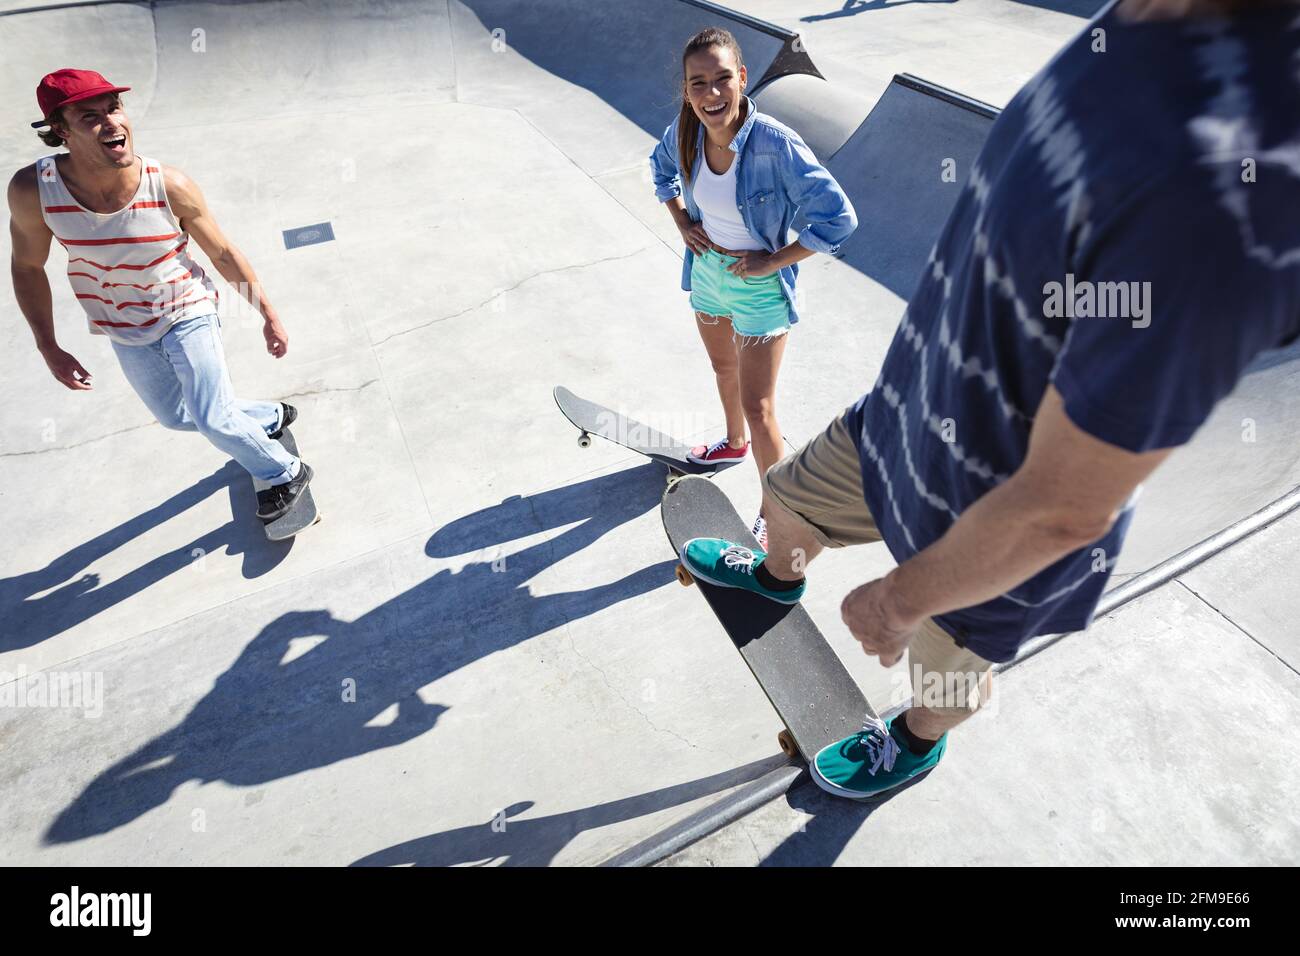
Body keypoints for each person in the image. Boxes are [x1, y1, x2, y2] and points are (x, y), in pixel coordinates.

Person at [677, 0, 1300, 799]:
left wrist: (899, 600)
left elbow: (1063, 510)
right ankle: (777, 575)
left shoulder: (1235, 185)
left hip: (994, 516)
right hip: (903, 411)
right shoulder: (1144, 20)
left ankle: (912, 742)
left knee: (946, 671)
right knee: (790, 504)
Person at [7, 68, 312, 522]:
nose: (112, 123)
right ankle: (268, 417)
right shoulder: (34, 191)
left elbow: (223, 252)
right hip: (121, 323)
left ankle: (285, 472)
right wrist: (47, 345)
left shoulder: (168, 184)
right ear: (61, 131)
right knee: (174, 415)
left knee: (212, 418)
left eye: (114, 108)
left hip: (186, 308)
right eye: (91, 117)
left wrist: (267, 313)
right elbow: (28, 266)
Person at [650, 28, 857, 549]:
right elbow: (660, 173)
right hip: (706, 274)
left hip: (759, 289)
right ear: (686, 88)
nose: (712, 94)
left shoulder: (774, 144)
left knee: (760, 406)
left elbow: (838, 219)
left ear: (742, 79)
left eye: (723, 79)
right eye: (699, 83)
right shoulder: (684, 131)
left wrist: (775, 261)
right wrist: (682, 224)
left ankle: (780, 512)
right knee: (723, 370)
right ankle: (732, 444)